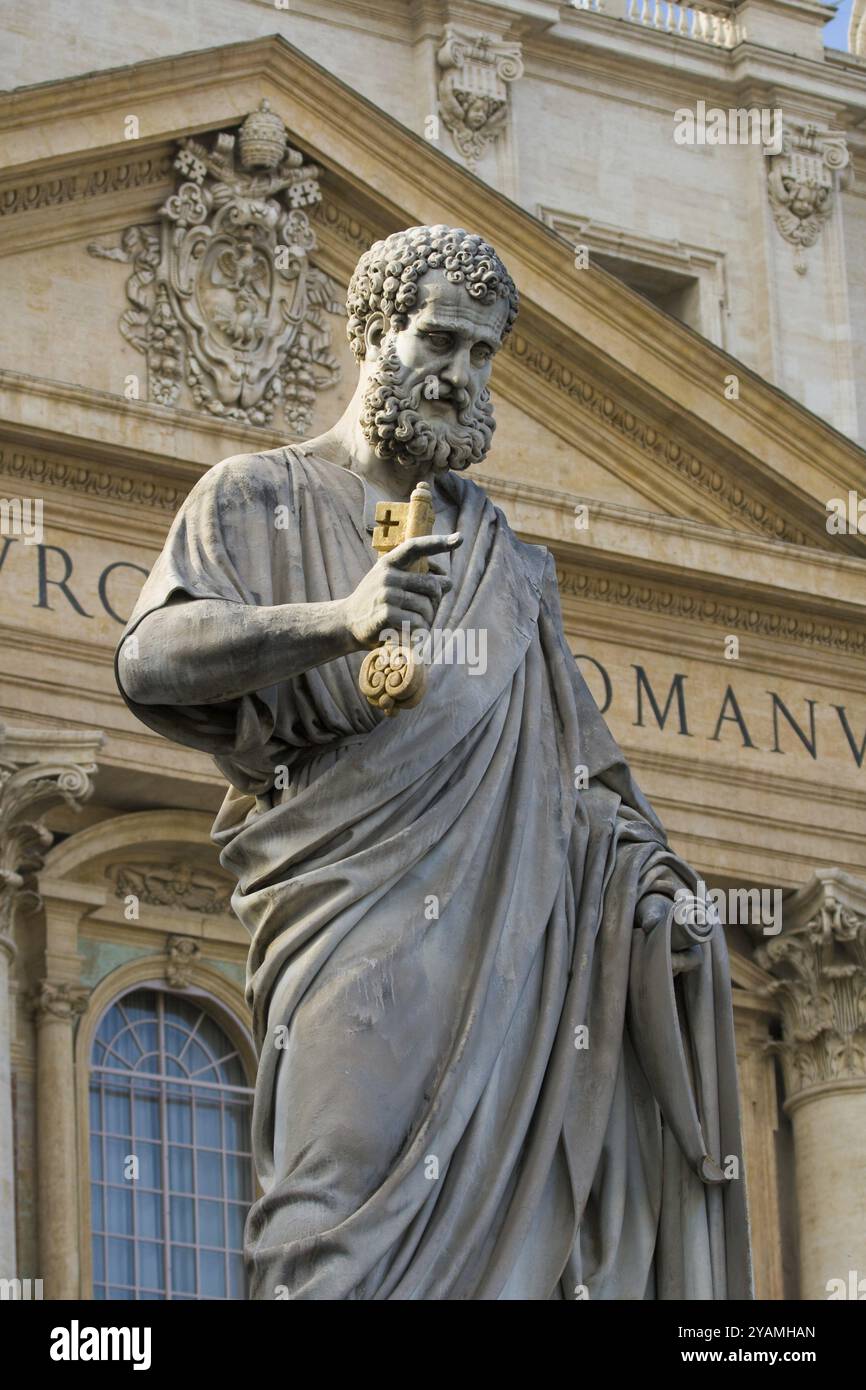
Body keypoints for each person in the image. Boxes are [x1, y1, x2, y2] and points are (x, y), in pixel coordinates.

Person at [117, 225, 751, 1300]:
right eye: (439, 341)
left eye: (482, 354)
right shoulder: (253, 496)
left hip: (507, 954)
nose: (459, 376)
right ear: (370, 333)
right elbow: (149, 659)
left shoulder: (509, 566)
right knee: (327, 1221)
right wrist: (338, 619)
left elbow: (579, 790)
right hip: (350, 926)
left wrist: (648, 905)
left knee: (502, 1237)